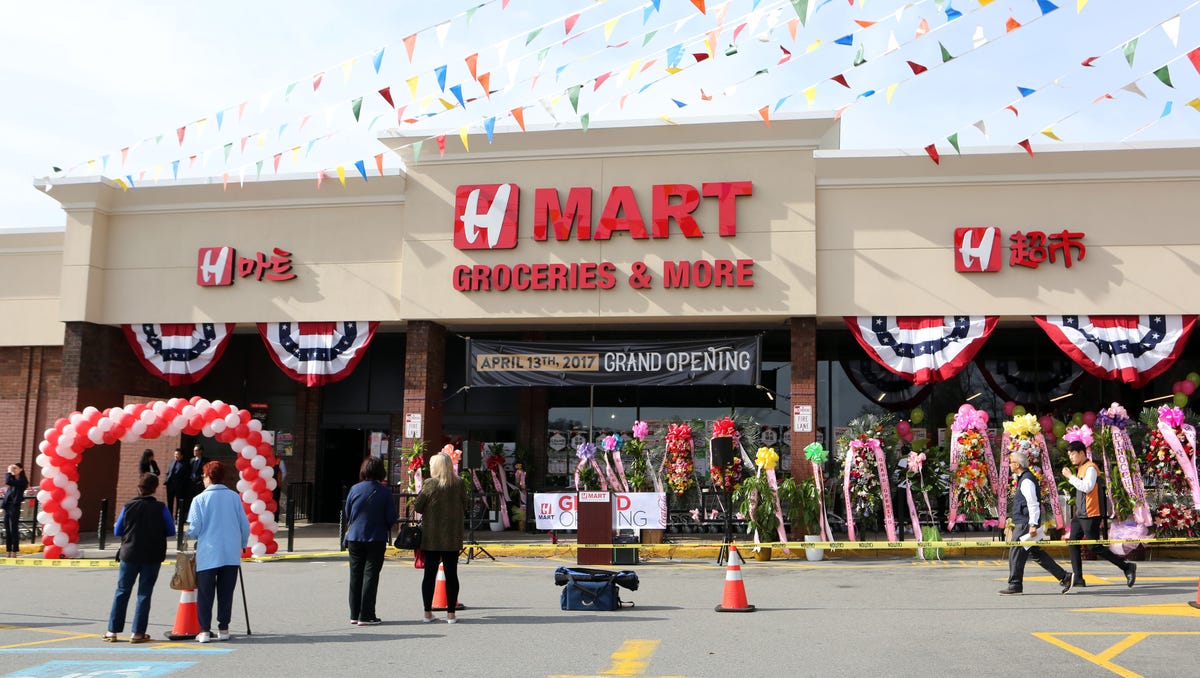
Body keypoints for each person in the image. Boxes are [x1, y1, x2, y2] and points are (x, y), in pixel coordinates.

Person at [102, 473, 175, 643]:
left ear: (138, 487)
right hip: (152, 554)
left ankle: (112, 630)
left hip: (130, 552)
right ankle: (138, 632)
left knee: (122, 591)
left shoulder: (128, 506)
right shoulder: (161, 507)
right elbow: (171, 530)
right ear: (155, 488)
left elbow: (117, 530)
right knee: (144, 593)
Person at [186, 461, 250, 643]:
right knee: (226, 592)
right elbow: (244, 525)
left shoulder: (199, 500)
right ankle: (224, 628)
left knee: (206, 593)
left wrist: (187, 534)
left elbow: (195, 528)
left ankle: (204, 630)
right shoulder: (234, 497)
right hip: (230, 553)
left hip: (208, 553)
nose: (203, 479)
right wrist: (242, 543)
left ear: (208, 477)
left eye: (204, 476)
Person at [1063, 440, 1136, 589]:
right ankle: (1078, 578)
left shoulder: (1090, 468)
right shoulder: (1082, 468)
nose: (1071, 457)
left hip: (1091, 514)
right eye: (1069, 455)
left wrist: (1070, 477)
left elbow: (1087, 487)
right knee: (1073, 542)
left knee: (1094, 547)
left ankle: (1126, 567)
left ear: (1082, 453)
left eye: (1073, 454)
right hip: (1081, 514)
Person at [999, 449, 1073, 595]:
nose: (1009, 465)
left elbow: (1033, 504)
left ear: (1018, 465)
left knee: (1016, 550)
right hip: (1024, 521)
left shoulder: (1026, 480)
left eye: (1011, 462)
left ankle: (1014, 584)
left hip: (1025, 523)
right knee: (1035, 552)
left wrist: (1033, 524)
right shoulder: (1023, 478)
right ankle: (1064, 576)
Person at [414, 452, 468, 623]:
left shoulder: (430, 484)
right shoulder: (459, 483)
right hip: (453, 536)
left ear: (436, 467)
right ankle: (451, 614)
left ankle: (427, 613)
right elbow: (465, 504)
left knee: (429, 575)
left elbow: (418, 506)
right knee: (452, 575)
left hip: (432, 537)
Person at [344, 457, 398, 626]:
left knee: (355, 576)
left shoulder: (354, 489)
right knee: (370, 576)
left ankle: (354, 613)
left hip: (355, 537)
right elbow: (391, 517)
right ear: (381, 472)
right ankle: (366, 615)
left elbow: (348, 512)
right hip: (376, 537)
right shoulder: (385, 492)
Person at [4, 463, 29, 558]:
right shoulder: (13, 480)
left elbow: (8, 482)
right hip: (8, 507)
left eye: (16, 468)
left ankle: (14, 551)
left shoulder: (23, 481)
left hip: (15, 506)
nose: (14, 470)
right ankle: (8, 550)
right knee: (7, 529)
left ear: (21, 469)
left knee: (13, 529)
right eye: (13, 468)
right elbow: (8, 494)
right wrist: (2, 507)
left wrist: (9, 472)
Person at [163, 449, 189, 519]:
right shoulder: (172, 462)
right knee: (170, 502)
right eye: (175, 454)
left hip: (179, 487)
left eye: (177, 454)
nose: (176, 456)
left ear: (181, 456)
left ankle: (177, 518)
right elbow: (169, 472)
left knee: (179, 503)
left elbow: (186, 476)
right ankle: (169, 517)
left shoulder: (185, 464)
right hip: (170, 485)